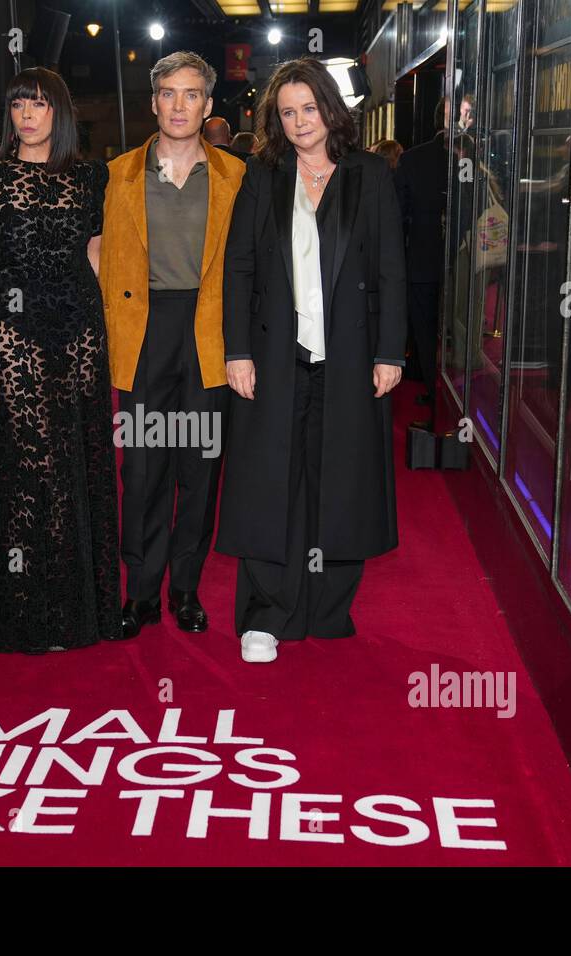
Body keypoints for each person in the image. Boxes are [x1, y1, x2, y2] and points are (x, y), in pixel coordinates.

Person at [219, 57, 407, 663]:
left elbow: (391, 271)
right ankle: (265, 615)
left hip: (350, 357)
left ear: (331, 108)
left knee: (342, 480)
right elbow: (239, 267)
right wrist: (238, 350)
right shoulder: (262, 175)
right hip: (275, 356)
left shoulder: (370, 174)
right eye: (287, 111)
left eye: (309, 108)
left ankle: (327, 608)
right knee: (270, 481)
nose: (300, 121)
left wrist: (388, 351)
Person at [0, 67, 120, 652]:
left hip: (78, 333)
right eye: (18, 103)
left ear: (60, 112)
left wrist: (99, 338)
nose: (27, 114)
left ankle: (78, 610)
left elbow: (94, 261)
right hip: (14, 335)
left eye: (39, 104)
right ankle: (25, 612)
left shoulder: (90, 177)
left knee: (77, 458)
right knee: (31, 465)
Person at [100, 51, 248, 638]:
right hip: (144, 335)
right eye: (168, 93)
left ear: (209, 105)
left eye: (191, 95)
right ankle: (141, 593)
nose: (179, 105)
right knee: (140, 471)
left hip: (210, 334)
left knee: (200, 469)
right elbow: (95, 252)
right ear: (154, 101)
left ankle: (185, 589)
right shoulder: (117, 174)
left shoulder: (237, 176)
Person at [394, 100, 450, 410]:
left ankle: (434, 389)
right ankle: (445, 390)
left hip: (421, 261)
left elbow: (397, 215)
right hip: (459, 260)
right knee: (452, 327)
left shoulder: (412, 160)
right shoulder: (478, 158)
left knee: (427, 329)